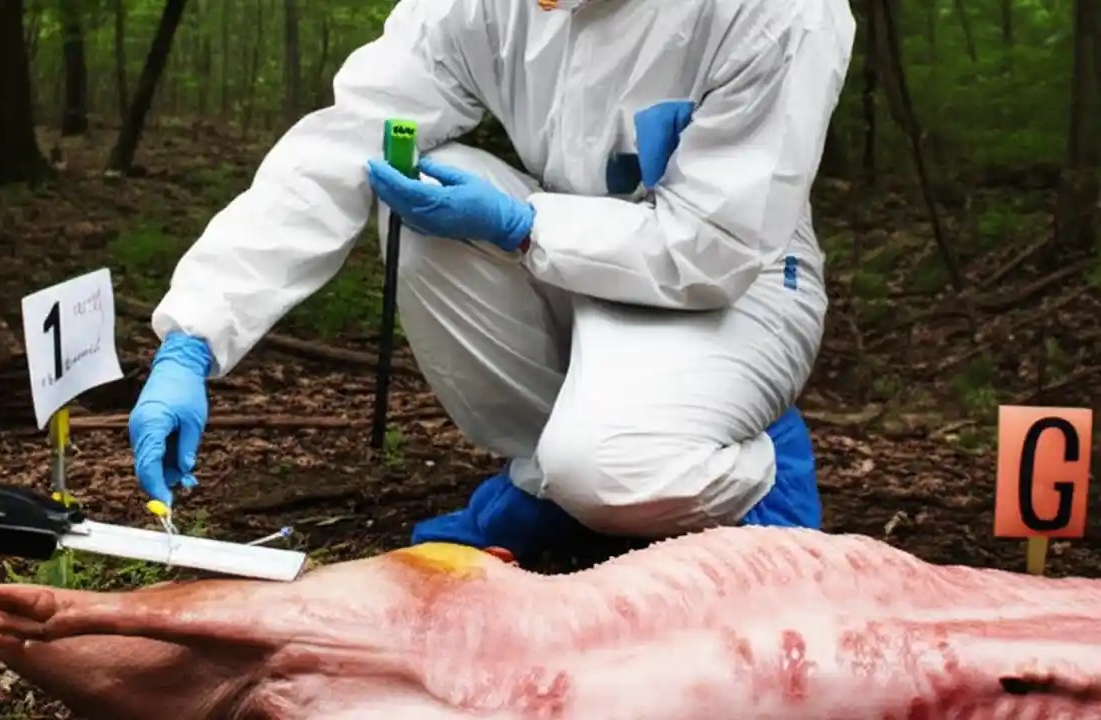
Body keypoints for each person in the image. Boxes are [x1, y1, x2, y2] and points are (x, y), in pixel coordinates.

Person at [127, 0, 857, 564]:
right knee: (415, 188)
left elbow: (715, 244)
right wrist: (195, 336)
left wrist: (524, 226)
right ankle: (553, 484)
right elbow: (347, 143)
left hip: (739, 281)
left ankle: (748, 469)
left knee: (608, 468)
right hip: (569, 245)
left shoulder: (775, 13)